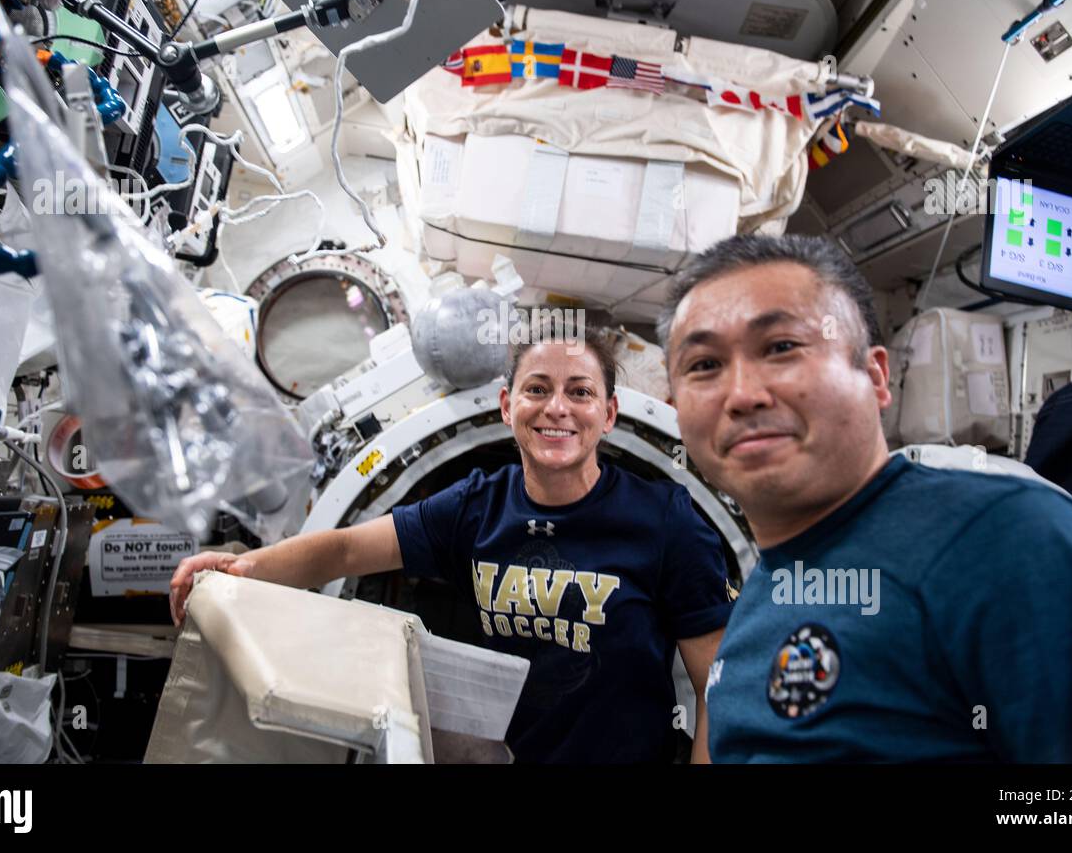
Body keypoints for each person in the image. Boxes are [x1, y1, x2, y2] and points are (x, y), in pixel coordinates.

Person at [658, 233, 1072, 762]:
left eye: (781, 347)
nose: (744, 394)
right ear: (674, 404)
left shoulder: (1008, 541)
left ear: (876, 375)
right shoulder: (764, 593)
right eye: (704, 365)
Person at [170, 324, 733, 763]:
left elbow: (716, 687)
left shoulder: (665, 522)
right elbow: (344, 551)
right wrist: (241, 568)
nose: (557, 408)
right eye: (537, 390)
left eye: (579, 392)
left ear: (607, 414)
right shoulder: (475, 506)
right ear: (508, 406)